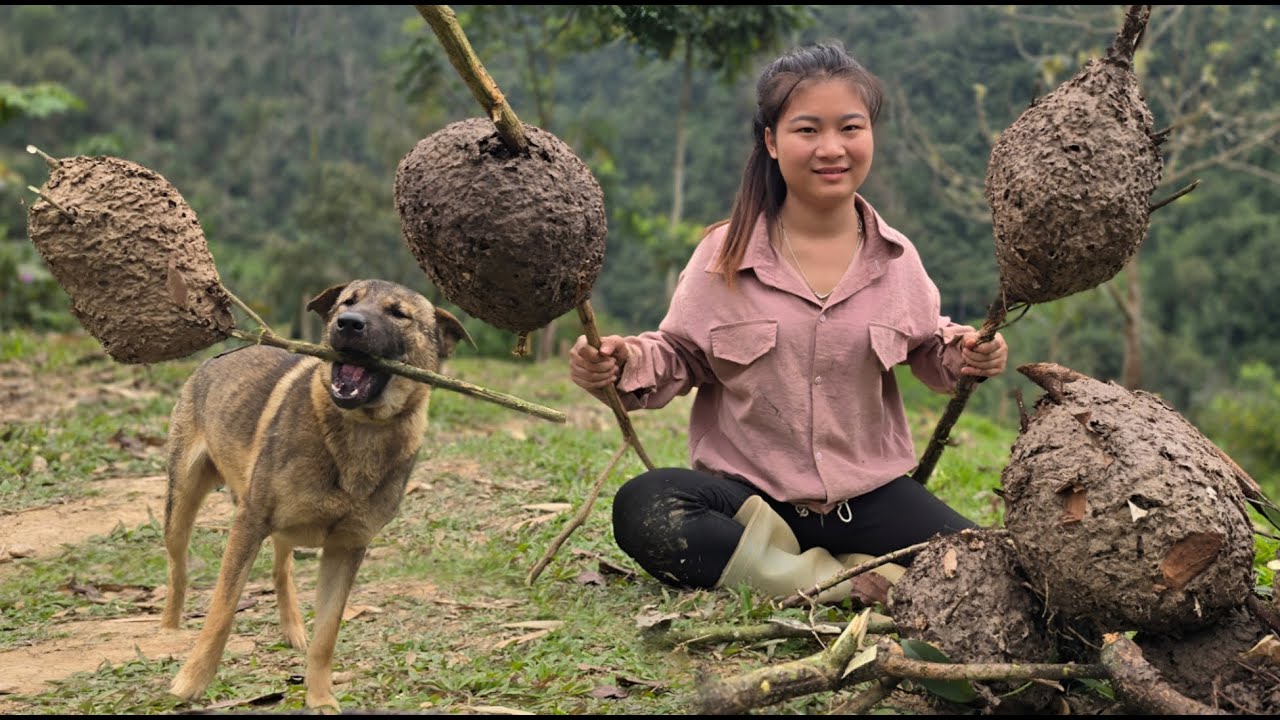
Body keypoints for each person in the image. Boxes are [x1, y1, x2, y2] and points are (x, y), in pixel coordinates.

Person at [569, 42, 1008, 604]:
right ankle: (838, 583)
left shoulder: (897, 260)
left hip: (867, 500)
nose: (832, 148)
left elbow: (929, 348)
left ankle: (792, 571)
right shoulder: (722, 256)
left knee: (986, 565)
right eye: (807, 130)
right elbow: (679, 355)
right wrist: (621, 362)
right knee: (645, 506)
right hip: (749, 502)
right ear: (772, 142)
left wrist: (968, 353)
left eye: (850, 127)